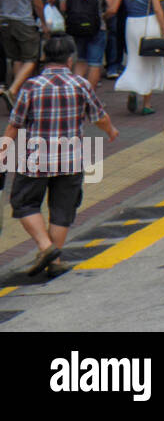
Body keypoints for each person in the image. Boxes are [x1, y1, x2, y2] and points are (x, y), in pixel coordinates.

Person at [4, 36, 119, 279]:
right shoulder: (81, 84)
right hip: (71, 159)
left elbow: (15, 124)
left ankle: (46, 247)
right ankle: (54, 260)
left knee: (24, 203)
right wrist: (110, 131)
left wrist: (3, 151)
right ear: (69, 59)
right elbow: (100, 117)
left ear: (45, 58)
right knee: (62, 209)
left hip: (35, 159)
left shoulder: (31, 86)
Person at [108, 0, 164, 115]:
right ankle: (147, 104)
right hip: (149, 23)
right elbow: (158, 9)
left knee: (134, 59)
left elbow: (113, 9)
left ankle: (133, 88)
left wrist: (103, 16)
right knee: (149, 60)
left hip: (131, 24)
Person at [0, 0, 50, 109]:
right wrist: (43, 23)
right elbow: (37, 2)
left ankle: (18, 98)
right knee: (30, 59)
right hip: (24, 22)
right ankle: (13, 90)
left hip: (4, 21)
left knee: (16, 59)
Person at [58, 0, 114, 92]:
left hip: (76, 26)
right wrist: (104, 16)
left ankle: (76, 94)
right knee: (95, 62)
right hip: (97, 26)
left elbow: (63, 6)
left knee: (80, 59)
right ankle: (90, 96)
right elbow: (111, 6)